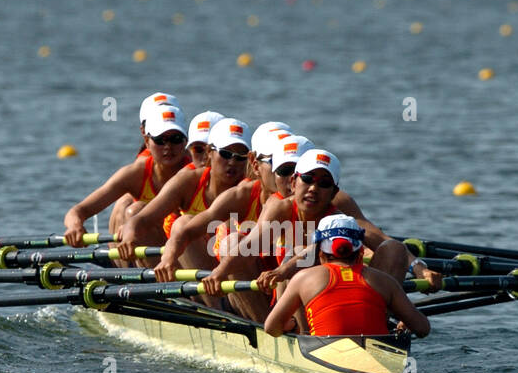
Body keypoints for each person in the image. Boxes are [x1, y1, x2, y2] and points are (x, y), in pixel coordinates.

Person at [202, 148, 442, 322]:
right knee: (285, 255)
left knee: (394, 250)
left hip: (340, 301)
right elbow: (250, 248)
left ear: (334, 192)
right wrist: (218, 275)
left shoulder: (339, 217)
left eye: (324, 183)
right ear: (295, 183)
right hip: (293, 302)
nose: (314, 188)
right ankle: (287, 331)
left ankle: (376, 321)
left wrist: (421, 270)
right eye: (307, 179)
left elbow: (382, 240)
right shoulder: (280, 208)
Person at [264, 214, 431, 339]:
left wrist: (290, 325)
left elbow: (271, 327)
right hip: (379, 359)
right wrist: (405, 320)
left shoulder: (303, 278)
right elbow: (423, 328)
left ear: (320, 253)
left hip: (323, 355)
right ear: (360, 253)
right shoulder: (385, 281)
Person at [116, 118, 252, 262]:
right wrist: (130, 235)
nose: (232, 162)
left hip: (238, 267)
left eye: (240, 157)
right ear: (210, 152)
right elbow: (142, 219)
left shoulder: (250, 187)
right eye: (225, 154)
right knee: (180, 223)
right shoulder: (187, 180)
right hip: (193, 260)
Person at [62, 104, 192, 247]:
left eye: (176, 138)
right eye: (160, 140)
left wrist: (133, 226)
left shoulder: (197, 173)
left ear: (186, 140)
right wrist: (75, 226)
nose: (168, 146)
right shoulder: (135, 173)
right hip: (155, 250)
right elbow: (78, 210)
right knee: (131, 209)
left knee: (141, 215)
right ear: (147, 142)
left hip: (187, 250)